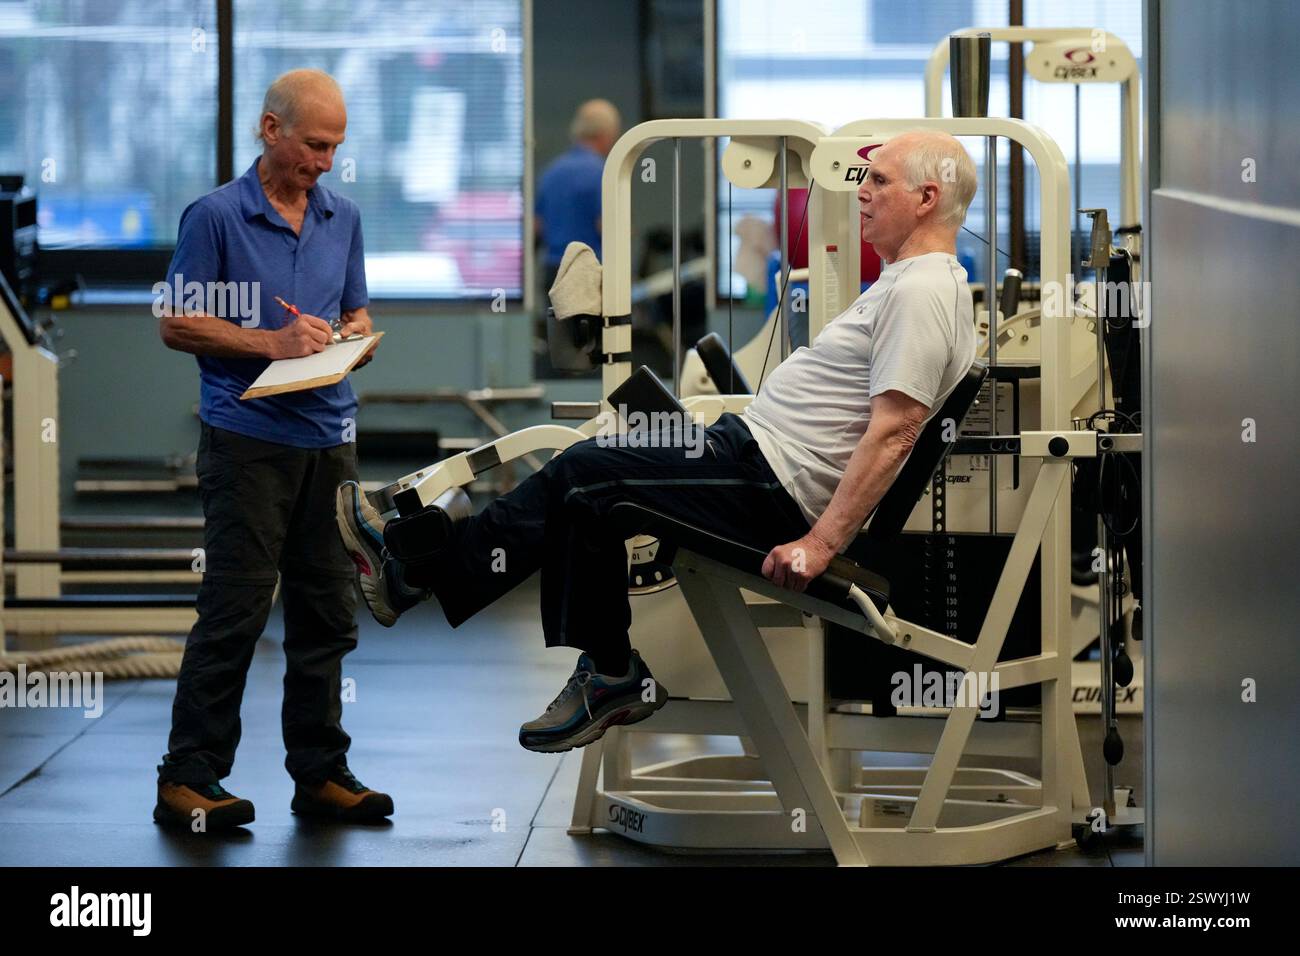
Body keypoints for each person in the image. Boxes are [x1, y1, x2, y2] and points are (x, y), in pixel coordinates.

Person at [337, 130, 979, 755]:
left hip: (773, 486)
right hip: (751, 453)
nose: (862, 192)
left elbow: (896, 431)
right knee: (586, 474)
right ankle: (571, 650)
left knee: (589, 476)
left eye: (879, 180)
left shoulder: (922, 290)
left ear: (926, 198)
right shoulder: (908, 283)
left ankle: (446, 587)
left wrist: (819, 545)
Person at [155, 69, 392, 830]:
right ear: (270, 129)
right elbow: (175, 322)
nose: (324, 162)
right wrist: (271, 343)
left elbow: (354, 310)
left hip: (329, 441)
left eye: (335, 148)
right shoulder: (216, 217)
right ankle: (187, 777)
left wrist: (356, 336)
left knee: (327, 615)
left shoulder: (341, 216)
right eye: (314, 145)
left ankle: (321, 775)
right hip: (248, 443)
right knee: (235, 611)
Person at [536, 99, 622, 292]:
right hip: (588, 274)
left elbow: (536, 225)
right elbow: (606, 227)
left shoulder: (550, 172)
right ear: (607, 134)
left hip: (553, 271)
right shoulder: (604, 173)